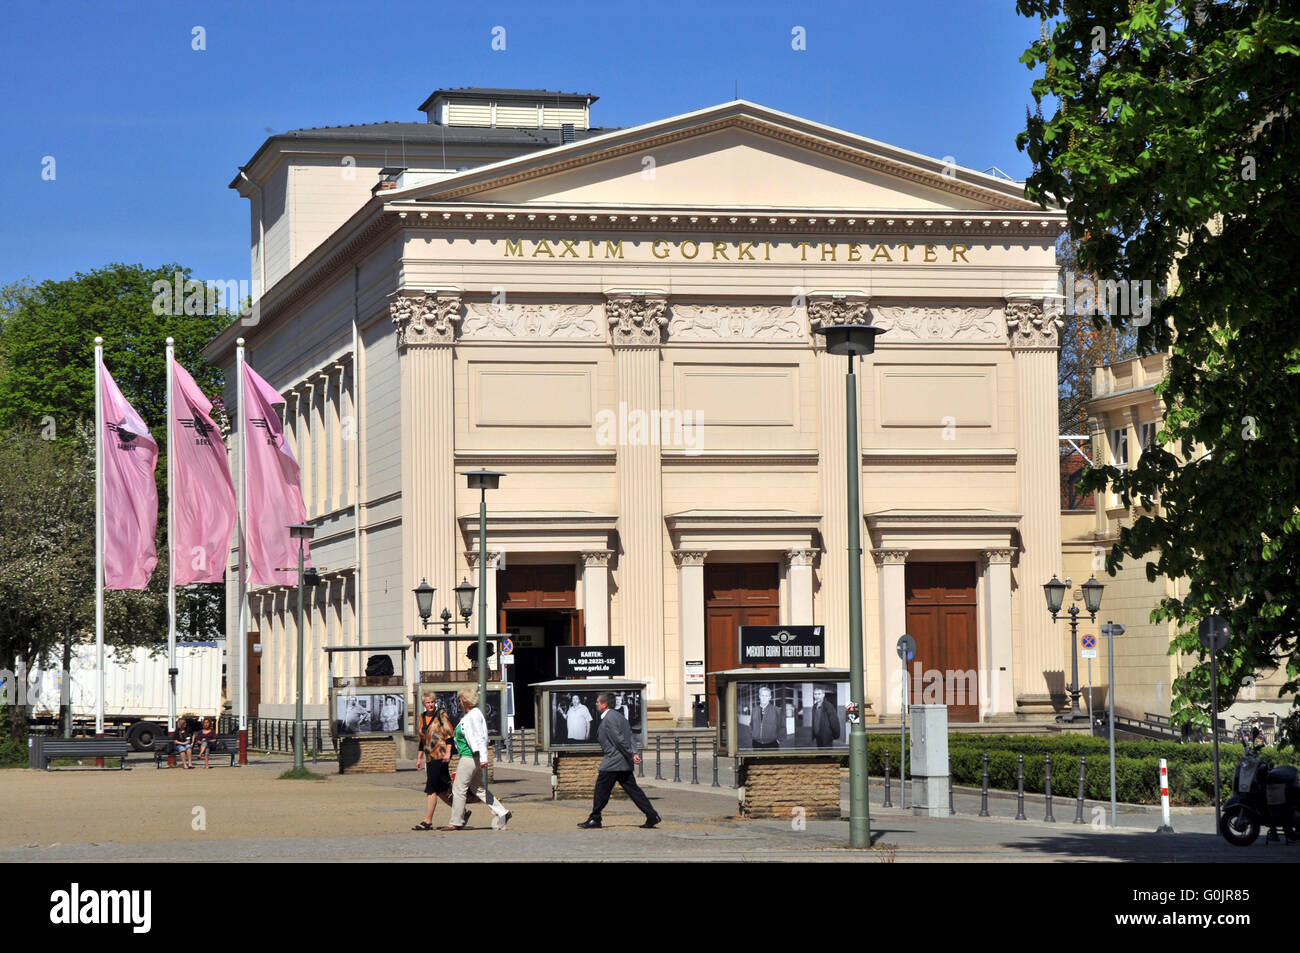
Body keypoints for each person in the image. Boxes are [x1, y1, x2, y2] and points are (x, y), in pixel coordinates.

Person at [578, 693, 660, 830]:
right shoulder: (619, 717)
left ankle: (595, 818)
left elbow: (619, 740)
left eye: (598, 702)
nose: (596, 704)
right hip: (623, 762)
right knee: (634, 791)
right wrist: (633, 752)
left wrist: (631, 754)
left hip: (613, 762)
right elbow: (630, 736)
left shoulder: (609, 719)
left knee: (601, 791)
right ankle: (652, 815)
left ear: (605, 704)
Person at [440, 688, 512, 831]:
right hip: (473, 757)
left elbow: (480, 737)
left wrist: (484, 758)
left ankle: (456, 821)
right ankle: (503, 812)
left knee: (459, 789)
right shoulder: (473, 714)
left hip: (469, 757)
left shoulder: (473, 716)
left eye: (461, 699)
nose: (459, 702)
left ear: (465, 701)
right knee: (478, 789)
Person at [412, 692, 463, 830]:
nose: (430, 705)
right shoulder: (422, 717)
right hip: (429, 757)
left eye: (432, 702)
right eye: (427, 702)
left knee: (431, 788)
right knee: (441, 790)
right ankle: (462, 811)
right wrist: (419, 758)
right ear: (424, 704)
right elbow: (422, 740)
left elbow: (449, 735)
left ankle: (427, 821)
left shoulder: (441, 715)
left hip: (440, 756)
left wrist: (448, 753)